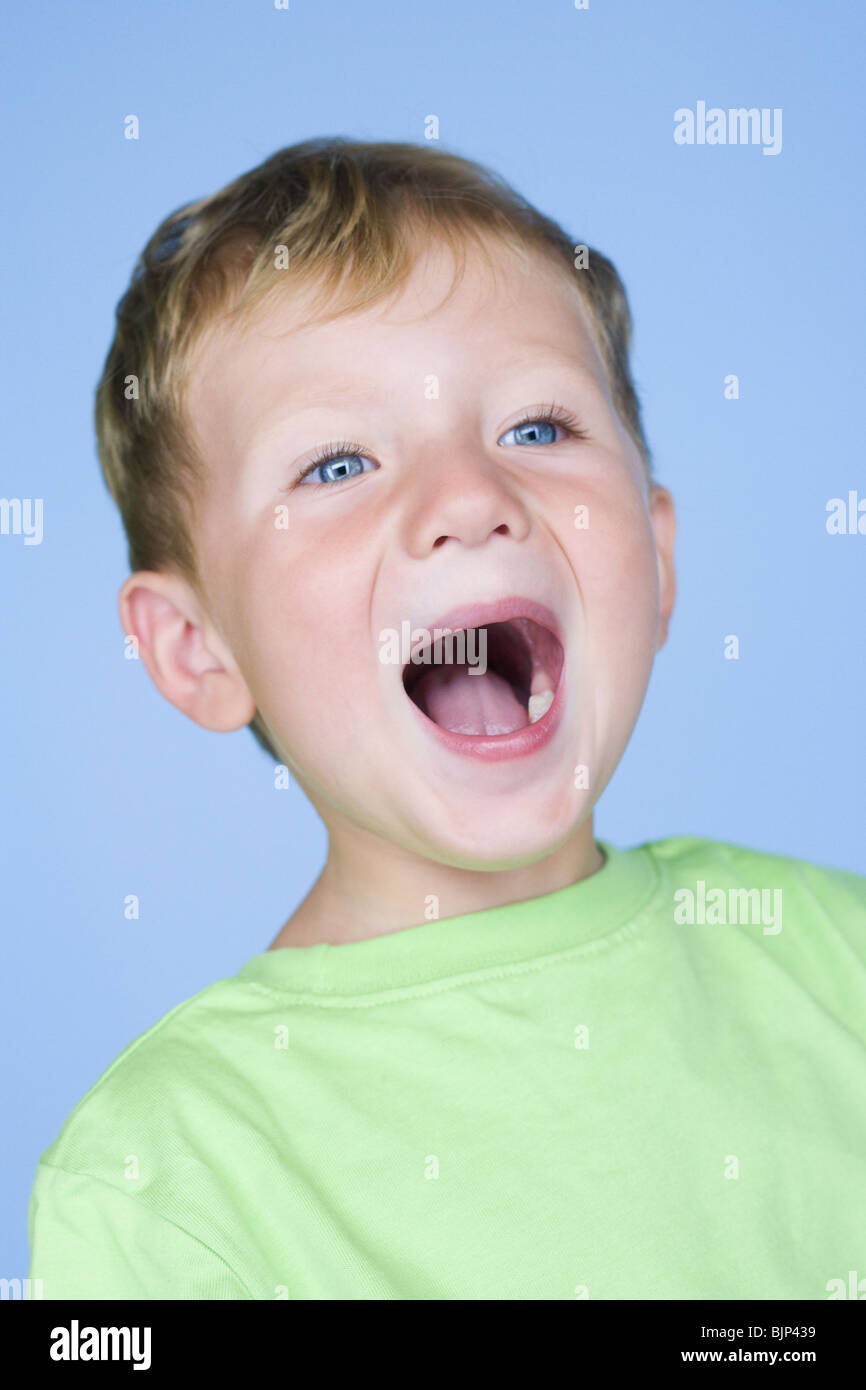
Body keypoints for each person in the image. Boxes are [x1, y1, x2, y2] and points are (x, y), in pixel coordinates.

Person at [27, 138, 866, 1299]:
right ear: (197, 648)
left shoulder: (832, 955)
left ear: (658, 559)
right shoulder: (173, 1172)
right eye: (335, 464)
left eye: (536, 429)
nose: (471, 499)